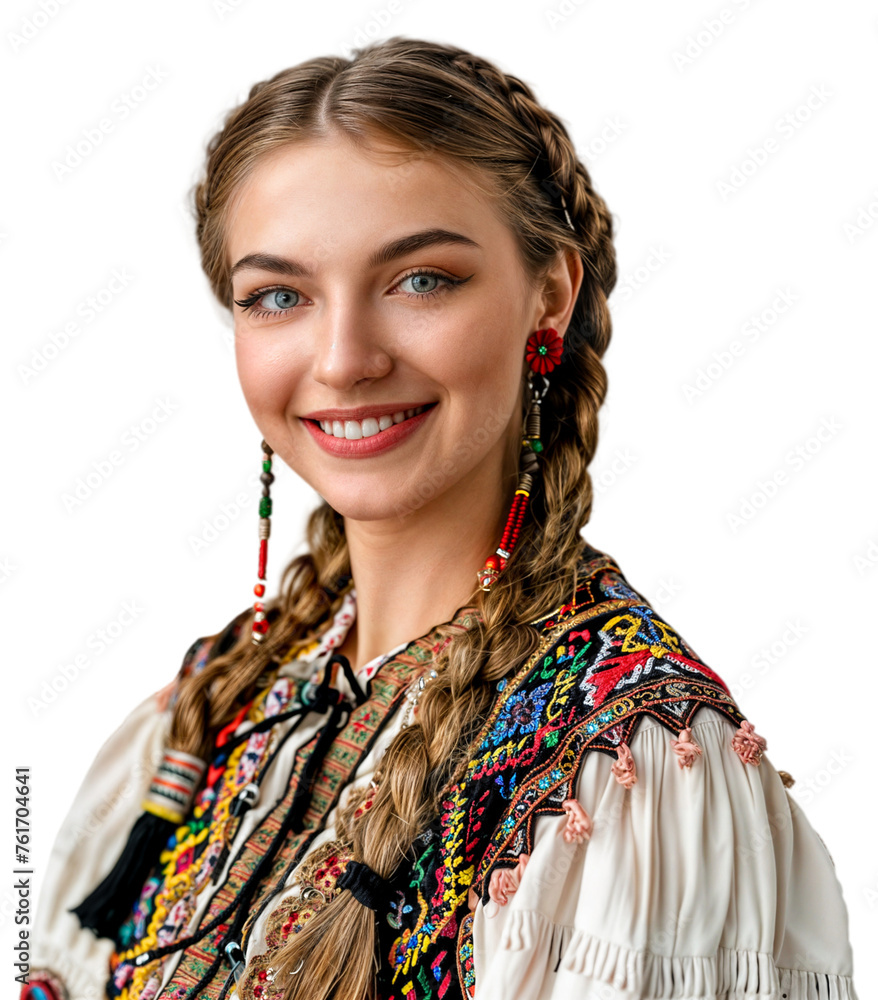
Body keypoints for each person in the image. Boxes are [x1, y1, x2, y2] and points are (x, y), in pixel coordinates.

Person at [24, 36, 858, 1000]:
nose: (342, 359)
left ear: (551, 293)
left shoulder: (628, 767)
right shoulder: (207, 712)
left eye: (421, 280)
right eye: (278, 296)